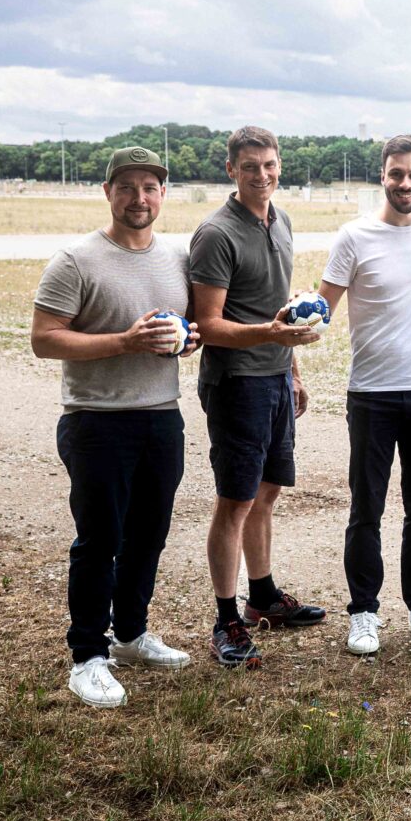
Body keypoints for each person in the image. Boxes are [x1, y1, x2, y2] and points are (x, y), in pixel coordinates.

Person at [31, 146, 201, 708]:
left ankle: (129, 635)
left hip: (161, 417)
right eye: (127, 187)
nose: (139, 198)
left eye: (150, 187)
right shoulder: (76, 260)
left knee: (148, 537)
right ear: (108, 192)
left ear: (163, 194)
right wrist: (123, 342)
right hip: (96, 421)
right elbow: (45, 338)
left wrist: (189, 338)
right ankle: (87, 656)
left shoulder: (176, 259)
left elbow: (187, 326)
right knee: (99, 540)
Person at [189, 126, 326, 669]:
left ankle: (263, 596)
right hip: (236, 384)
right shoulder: (216, 234)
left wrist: (291, 369)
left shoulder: (281, 218)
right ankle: (227, 619)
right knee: (235, 502)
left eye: (270, 165)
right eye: (251, 167)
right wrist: (271, 337)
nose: (263, 175)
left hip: (273, 379)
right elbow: (210, 325)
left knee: (267, 493)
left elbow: (278, 308)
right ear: (232, 171)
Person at [317, 134, 411, 656]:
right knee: (366, 508)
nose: (406, 184)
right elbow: (321, 307)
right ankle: (364, 613)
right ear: (383, 177)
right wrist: (296, 317)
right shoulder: (354, 237)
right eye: (397, 174)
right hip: (371, 393)